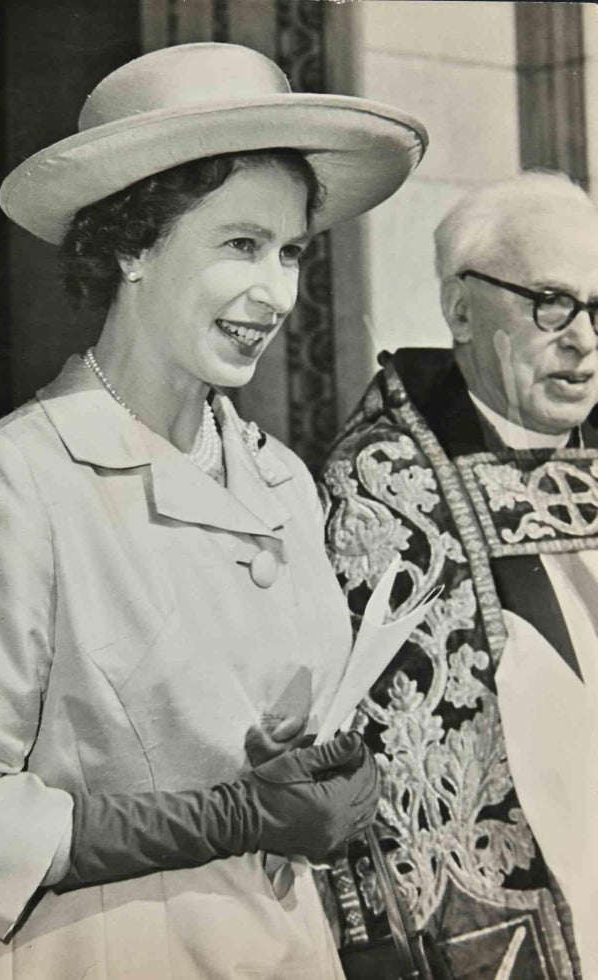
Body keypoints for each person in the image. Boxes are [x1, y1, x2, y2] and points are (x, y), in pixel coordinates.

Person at [0, 43, 427, 979]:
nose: (275, 293)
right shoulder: (10, 480)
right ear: (132, 245)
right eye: (240, 245)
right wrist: (230, 817)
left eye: (291, 252)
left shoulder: (284, 483)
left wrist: (326, 781)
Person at [320, 170, 598, 980]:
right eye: (551, 302)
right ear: (461, 310)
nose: (583, 338)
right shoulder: (386, 486)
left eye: (597, 306)